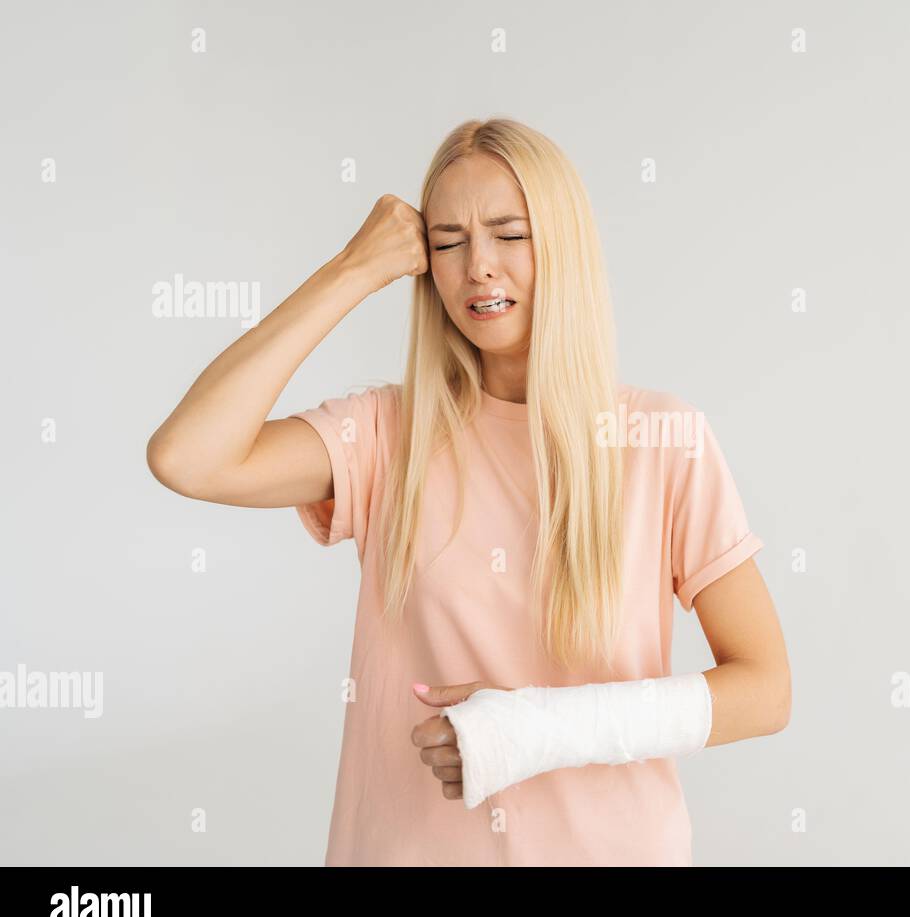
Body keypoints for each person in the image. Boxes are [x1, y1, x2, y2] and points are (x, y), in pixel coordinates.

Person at [146, 116, 790, 866]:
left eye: (508, 235)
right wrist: (353, 269)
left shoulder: (661, 439)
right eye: (448, 242)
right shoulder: (389, 434)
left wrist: (530, 730)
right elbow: (187, 457)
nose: (478, 266)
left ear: (562, 245)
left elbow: (766, 690)